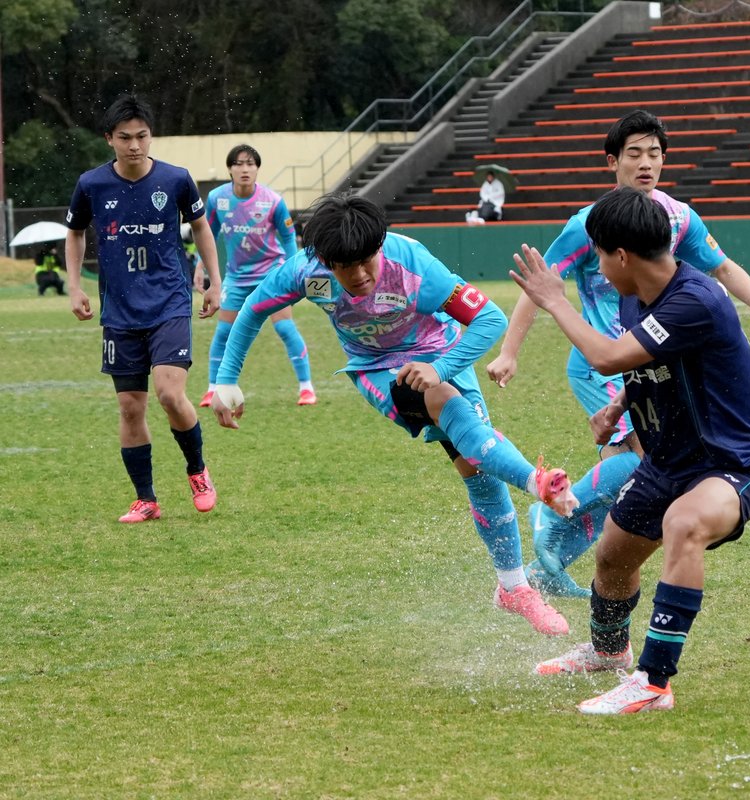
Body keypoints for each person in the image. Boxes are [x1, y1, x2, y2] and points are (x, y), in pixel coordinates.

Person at [208, 193, 577, 636]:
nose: (361, 275)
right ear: (326, 260)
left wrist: (440, 365)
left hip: (442, 357)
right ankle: (537, 483)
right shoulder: (306, 272)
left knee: (477, 469)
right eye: (348, 267)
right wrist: (226, 380)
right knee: (445, 405)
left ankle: (513, 589)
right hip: (376, 369)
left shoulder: (415, 267)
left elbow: (490, 319)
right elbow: (252, 311)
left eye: (368, 260)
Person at [486, 109, 750, 600]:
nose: (646, 163)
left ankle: (553, 559)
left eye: (655, 154)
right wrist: (510, 352)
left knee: (631, 489)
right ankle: (556, 508)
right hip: (602, 360)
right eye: (634, 154)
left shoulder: (678, 216)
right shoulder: (591, 223)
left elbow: (721, 266)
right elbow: (541, 285)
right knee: (650, 464)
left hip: (647, 366)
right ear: (613, 162)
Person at [512, 187, 750, 714]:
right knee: (612, 557)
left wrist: (556, 300)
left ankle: (653, 683)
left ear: (622, 255)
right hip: (666, 461)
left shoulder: (693, 299)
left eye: (601, 257)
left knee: (684, 524)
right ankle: (609, 654)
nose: (600, 270)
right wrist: (620, 406)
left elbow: (608, 357)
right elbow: (657, 360)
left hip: (729, 466)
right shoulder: (639, 294)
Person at [64, 94, 223, 523]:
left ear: (151, 136)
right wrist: (75, 285)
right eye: (125, 138)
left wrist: (213, 281)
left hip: (169, 302)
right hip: (118, 311)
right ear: (109, 140)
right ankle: (146, 499)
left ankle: (197, 470)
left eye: (142, 136)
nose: (135, 145)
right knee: (131, 407)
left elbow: (201, 227)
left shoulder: (176, 179)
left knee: (170, 394)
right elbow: (75, 233)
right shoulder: (92, 185)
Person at [198, 144, 316, 408]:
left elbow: (288, 238)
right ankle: (212, 389)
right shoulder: (218, 198)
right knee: (223, 333)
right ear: (229, 168)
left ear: (257, 168)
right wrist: (199, 266)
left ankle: (306, 388)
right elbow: (206, 233)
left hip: (271, 275)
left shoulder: (273, 201)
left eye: (250, 164)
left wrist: (294, 270)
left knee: (284, 327)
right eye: (239, 164)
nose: (245, 169)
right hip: (236, 278)